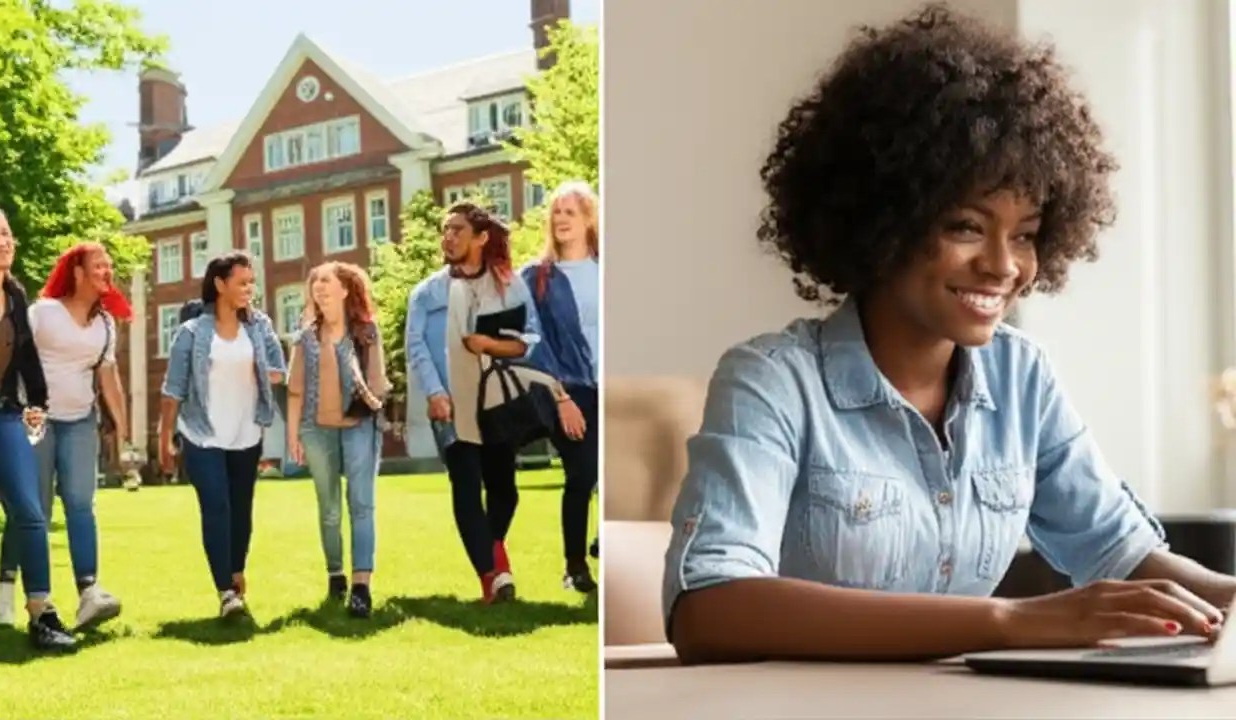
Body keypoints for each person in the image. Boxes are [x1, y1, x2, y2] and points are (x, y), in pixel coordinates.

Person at [663, 5, 1236, 665]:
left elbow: (1125, 557)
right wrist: (1009, 621)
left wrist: (1227, 599)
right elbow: (709, 609)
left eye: (1024, 234)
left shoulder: (1022, 378)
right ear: (884, 219)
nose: (1003, 264)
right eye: (966, 226)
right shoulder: (772, 382)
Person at [442, 202, 585, 603]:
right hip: (455, 409)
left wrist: (490, 343)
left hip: (495, 405)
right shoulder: (433, 290)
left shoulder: (508, 284)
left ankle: (495, 553)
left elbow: (528, 342)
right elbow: (420, 347)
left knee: (505, 492)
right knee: (469, 490)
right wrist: (436, 394)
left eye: (457, 229)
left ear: (481, 237)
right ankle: (494, 575)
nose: (449, 237)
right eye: (446, 230)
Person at [0, 242, 131, 630]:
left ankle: (89, 591)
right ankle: (6, 586)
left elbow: (108, 377)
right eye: (99, 266)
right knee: (32, 507)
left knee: (80, 503)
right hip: (35, 419)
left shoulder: (105, 324)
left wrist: (123, 428)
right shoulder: (44, 314)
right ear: (77, 273)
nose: (108, 272)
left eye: (110, 265)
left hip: (79, 421)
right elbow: (12, 356)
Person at [0, 205, 73, 649]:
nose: (4, 241)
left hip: (2, 414)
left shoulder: (16, 294)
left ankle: (41, 613)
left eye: (7, 234)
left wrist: (38, 401)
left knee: (30, 512)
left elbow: (25, 355)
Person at [159, 251, 286, 618]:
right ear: (220, 285)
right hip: (201, 435)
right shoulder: (192, 333)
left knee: (240, 512)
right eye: (241, 282)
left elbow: (277, 370)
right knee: (217, 507)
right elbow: (173, 390)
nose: (249, 289)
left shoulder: (259, 326)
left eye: (251, 283)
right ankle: (226, 592)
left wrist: (266, 373)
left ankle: (236, 573)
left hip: (245, 435)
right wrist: (164, 438)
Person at [286, 261, 390, 618]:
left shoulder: (366, 331)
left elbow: (378, 381)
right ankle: (336, 574)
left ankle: (362, 586)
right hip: (317, 430)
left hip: (360, 425)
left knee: (361, 504)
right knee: (329, 509)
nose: (319, 287)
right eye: (315, 282)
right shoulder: (304, 337)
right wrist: (293, 436)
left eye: (327, 281)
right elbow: (295, 391)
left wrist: (373, 400)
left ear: (345, 290)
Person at [522, 181, 601, 593]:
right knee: (583, 472)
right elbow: (534, 344)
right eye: (556, 213)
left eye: (570, 212)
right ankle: (574, 566)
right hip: (570, 387)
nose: (561, 220)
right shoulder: (536, 278)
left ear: (589, 218)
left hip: (613, 385)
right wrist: (563, 398)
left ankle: (606, 545)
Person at [406, 264, 455, 461]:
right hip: (447, 401)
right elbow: (415, 344)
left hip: (490, 398)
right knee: (463, 481)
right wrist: (435, 392)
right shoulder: (425, 293)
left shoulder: (499, 287)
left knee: (500, 483)